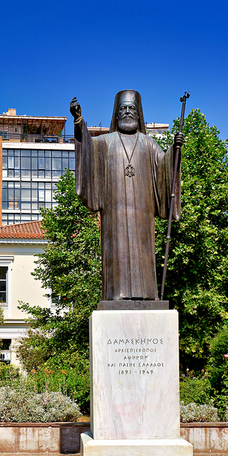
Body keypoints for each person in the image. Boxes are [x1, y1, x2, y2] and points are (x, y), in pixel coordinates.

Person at [70, 90, 183, 302]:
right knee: (116, 255)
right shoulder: (105, 142)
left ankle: (148, 295)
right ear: (116, 114)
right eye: (123, 108)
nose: (128, 112)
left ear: (139, 114)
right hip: (114, 219)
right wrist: (79, 121)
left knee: (144, 256)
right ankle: (116, 295)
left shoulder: (149, 145)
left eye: (132, 108)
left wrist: (175, 150)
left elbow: (165, 169)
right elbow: (87, 148)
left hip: (143, 218)